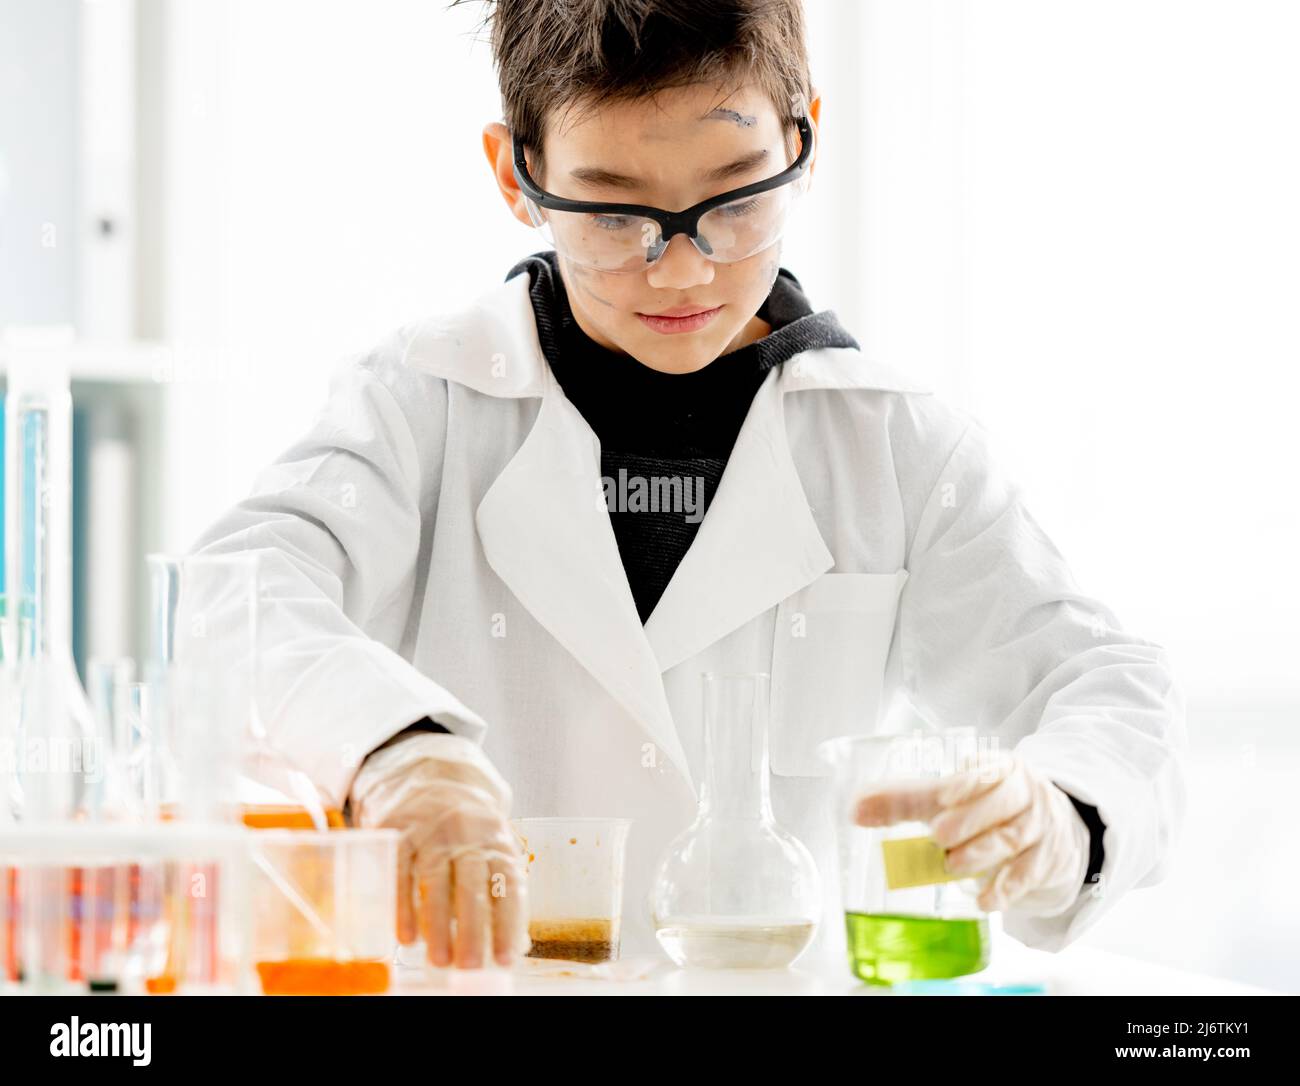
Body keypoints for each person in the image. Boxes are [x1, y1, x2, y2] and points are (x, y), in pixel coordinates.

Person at [190, 0, 1186, 969]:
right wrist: (396, 749)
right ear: (517, 174)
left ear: (805, 141)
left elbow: (1104, 683)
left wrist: (1061, 813)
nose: (679, 270)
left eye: (737, 200)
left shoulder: (891, 441)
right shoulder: (425, 404)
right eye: (615, 214)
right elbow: (229, 595)